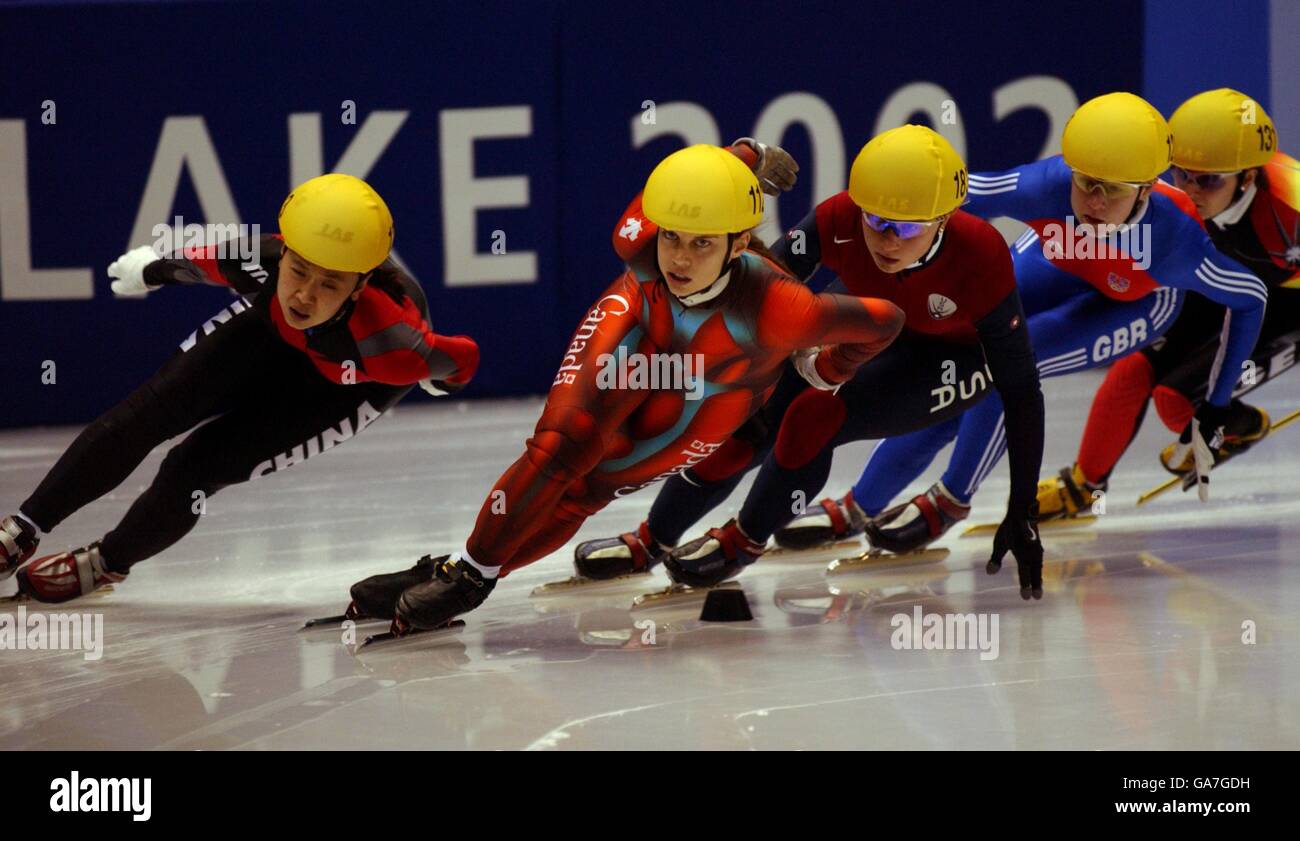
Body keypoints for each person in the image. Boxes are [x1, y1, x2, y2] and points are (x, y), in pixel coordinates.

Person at [351, 144, 906, 632]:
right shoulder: (637, 239)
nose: (681, 259)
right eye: (673, 239)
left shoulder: (782, 308)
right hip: (634, 324)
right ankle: (472, 572)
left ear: (739, 246)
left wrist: (827, 370)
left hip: (711, 383)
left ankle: (459, 567)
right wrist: (746, 157)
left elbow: (885, 320)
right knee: (564, 443)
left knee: (590, 488)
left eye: (702, 244)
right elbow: (688, 189)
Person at [575, 125, 1049, 598]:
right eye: (875, 221)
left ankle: (744, 540)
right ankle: (653, 537)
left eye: (906, 227)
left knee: (816, 418)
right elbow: (758, 290)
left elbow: (1023, 389)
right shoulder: (839, 217)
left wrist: (1022, 509)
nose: (886, 240)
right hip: (874, 321)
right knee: (750, 413)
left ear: (945, 218)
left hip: (956, 357)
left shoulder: (981, 254)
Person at [817, 92, 1266, 550]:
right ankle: (861, 504)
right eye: (1087, 181)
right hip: (1061, 261)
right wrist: (833, 294)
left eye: (1113, 189)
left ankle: (953, 498)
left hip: (1137, 303)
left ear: (1146, 190)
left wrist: (1215, 404)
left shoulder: (1175, 244)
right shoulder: (1045, 186)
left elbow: (1251, 298)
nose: (1093, 200)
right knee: (959, 363)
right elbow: (920, 200)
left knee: (1009, 362)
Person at [0, 174, 479, 603]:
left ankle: (105, 563)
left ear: (358, 288)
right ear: (283, 252)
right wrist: (150, 269)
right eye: (298, 271)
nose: (305, 295)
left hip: (345, 386)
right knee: (148, 413)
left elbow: (464, 356)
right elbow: (195, 263)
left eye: (329, 284)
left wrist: (441, 380)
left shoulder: (394, 346)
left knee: (193, 469)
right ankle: (21, 532)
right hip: (268, 334)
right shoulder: (259, 259)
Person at [1036, 89, 1300, 518]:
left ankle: (1242, 428)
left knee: (1177, 401)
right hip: (1226, 282)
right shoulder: (1162, 198)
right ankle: (1084, 489)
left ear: (1248, 177)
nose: (1191, 191)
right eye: (1182, 174)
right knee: (1132, 370)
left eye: (1209, 180)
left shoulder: (1292, 203)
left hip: (1289, 302)